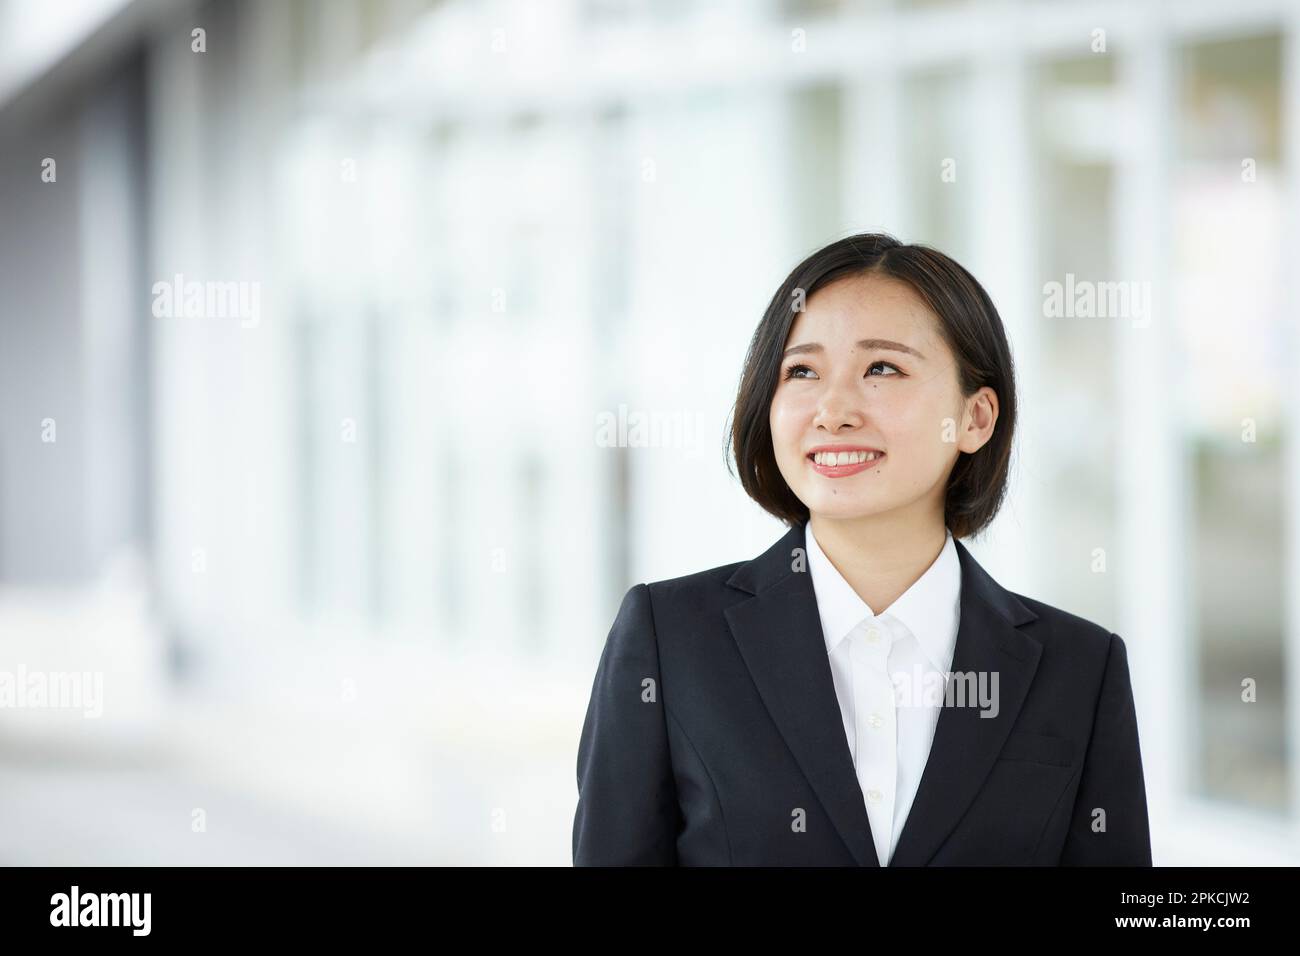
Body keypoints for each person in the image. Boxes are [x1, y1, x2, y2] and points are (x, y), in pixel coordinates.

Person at [573, 233, 1152, 866]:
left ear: (976, 418)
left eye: (882, 368)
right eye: (801, 371)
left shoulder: (1080, 668)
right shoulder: (670, 637)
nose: (833, 410)